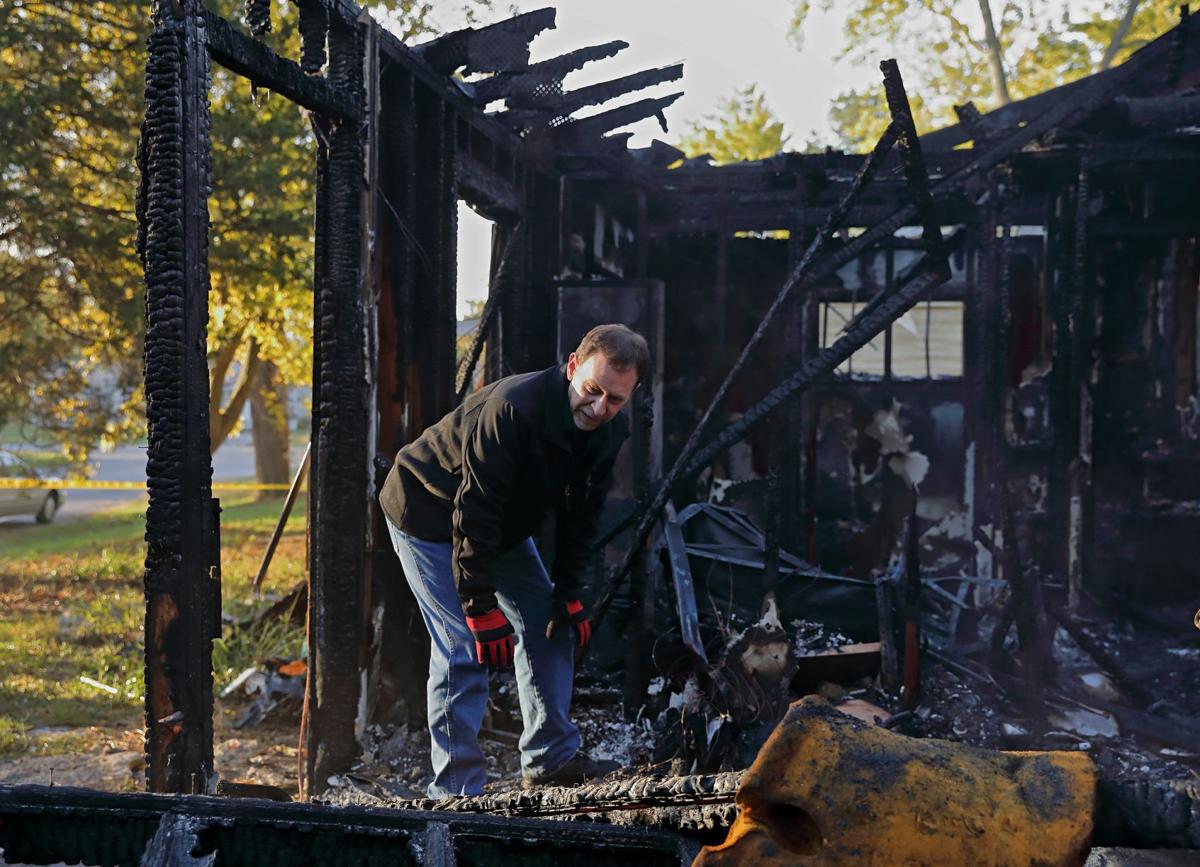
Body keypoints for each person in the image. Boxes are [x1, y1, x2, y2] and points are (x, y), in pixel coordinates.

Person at [379, 323, 649, 798]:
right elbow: (475, 511)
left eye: (615, 400)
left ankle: (550, 758)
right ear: (572, 366)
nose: (599, 408)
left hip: (500, 525)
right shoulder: (512, 408)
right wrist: (479, 606)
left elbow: (582, 515)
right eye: (592, 390)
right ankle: (455, 790)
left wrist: (569, 593)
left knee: (550, 623)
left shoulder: (611, 431)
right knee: (461, 645)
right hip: (427, 511)